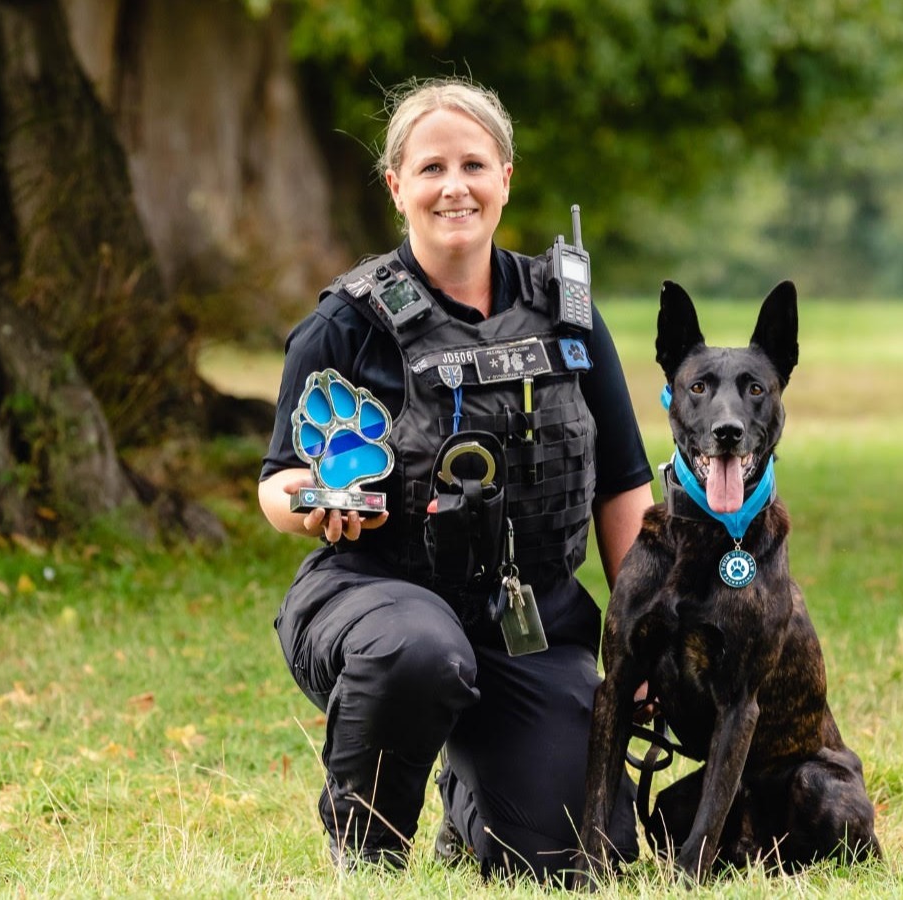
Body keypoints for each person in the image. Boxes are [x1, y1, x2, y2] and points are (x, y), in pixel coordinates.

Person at [258, 77, 653, 881]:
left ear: (506, 176)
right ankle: (366, 850)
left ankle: (472, 807)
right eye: (431, 167)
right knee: (423, 653)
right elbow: (275, 483)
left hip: (527, 615)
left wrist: (642, 643)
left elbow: (624, 488)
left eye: (474, 164)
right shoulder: (345, 324)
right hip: (377, 596)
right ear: (396, 184)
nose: (454, 187)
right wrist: (316, 504)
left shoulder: (567, 316)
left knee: (582, 859)